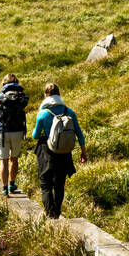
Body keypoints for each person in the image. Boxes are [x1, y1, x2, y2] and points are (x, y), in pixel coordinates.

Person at [32, 82, 87, 218]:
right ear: (59, 95)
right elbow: (79, 134)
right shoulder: (69, 112)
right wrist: (83, 152)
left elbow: (35, 136)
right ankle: (57, 212)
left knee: (46, 185)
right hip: (64, 152)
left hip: (47, 153)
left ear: (46, 95)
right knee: (59, 184)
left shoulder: (43, 114)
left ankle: (50, 214)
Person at [0, 73, 28, 195]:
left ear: (4, 83)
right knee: (14, 159)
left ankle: (5, 189)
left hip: (2, 131)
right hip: (18, 131)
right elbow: (24, 105)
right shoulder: (22, 96)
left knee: (3, 161)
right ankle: (12, 184)